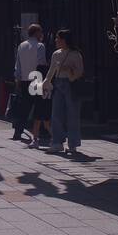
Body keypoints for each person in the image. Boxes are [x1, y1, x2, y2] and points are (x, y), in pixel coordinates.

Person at [43, 28, 84, 156]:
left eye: (58, 38)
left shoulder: (75, 54)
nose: (56, 40)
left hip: (71, 84)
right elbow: (51, 70)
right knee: (56, 113)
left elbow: (80, 71)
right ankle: (57, 142)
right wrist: (46, 81)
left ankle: (73, 144)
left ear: (64, 40)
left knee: (72, 115)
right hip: (58, 83)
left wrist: (70, 70)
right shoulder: (56, 54)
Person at [12, 24, 49, 145]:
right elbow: (41, 63)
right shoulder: (40, 46)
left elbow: (18, 65)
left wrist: (17, 79)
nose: (41, 34)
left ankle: (18, 131)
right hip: (36, 78)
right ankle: (41, 131)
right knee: (39, 106)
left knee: (25, 107)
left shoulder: (21, 46)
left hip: (24, 79)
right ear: (36, 33)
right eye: (40, 32)